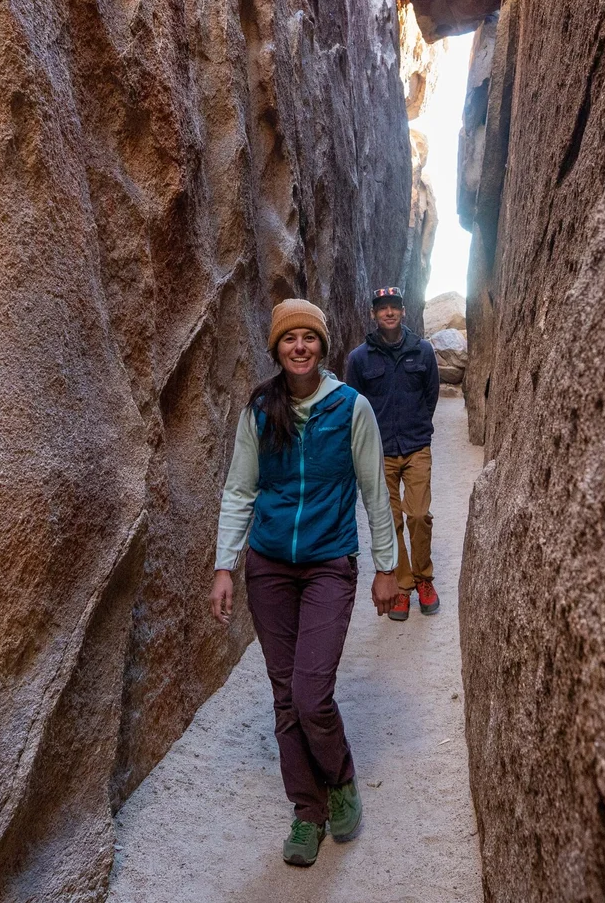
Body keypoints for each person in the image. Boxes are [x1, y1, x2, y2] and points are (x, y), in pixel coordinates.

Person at [208, 298, 400, 867]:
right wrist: (225, 565)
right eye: (289, 339)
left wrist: (386, 567)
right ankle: (307, 811)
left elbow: (373, 491)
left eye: (309, 339)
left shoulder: (351, 408)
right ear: (276, 348)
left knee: (311, 692)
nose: (300, 347)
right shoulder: (260, 410)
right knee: (284, 694)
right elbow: (240, 489)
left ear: (322, 346)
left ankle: (339, 778)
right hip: (268, 567)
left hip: (327, 565)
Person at [343, 286, 441, 621]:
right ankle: (402, 587)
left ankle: (423, 578)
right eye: (382, 308)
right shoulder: (359, 359)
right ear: (374, 313)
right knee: (391, 521)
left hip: (416, 446)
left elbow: (431, 396)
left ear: (403, 311)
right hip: (379, 452)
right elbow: (353, 406)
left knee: (417, 515)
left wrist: (417, 425)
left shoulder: (423, 352)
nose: (389, 313)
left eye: (394, 307)